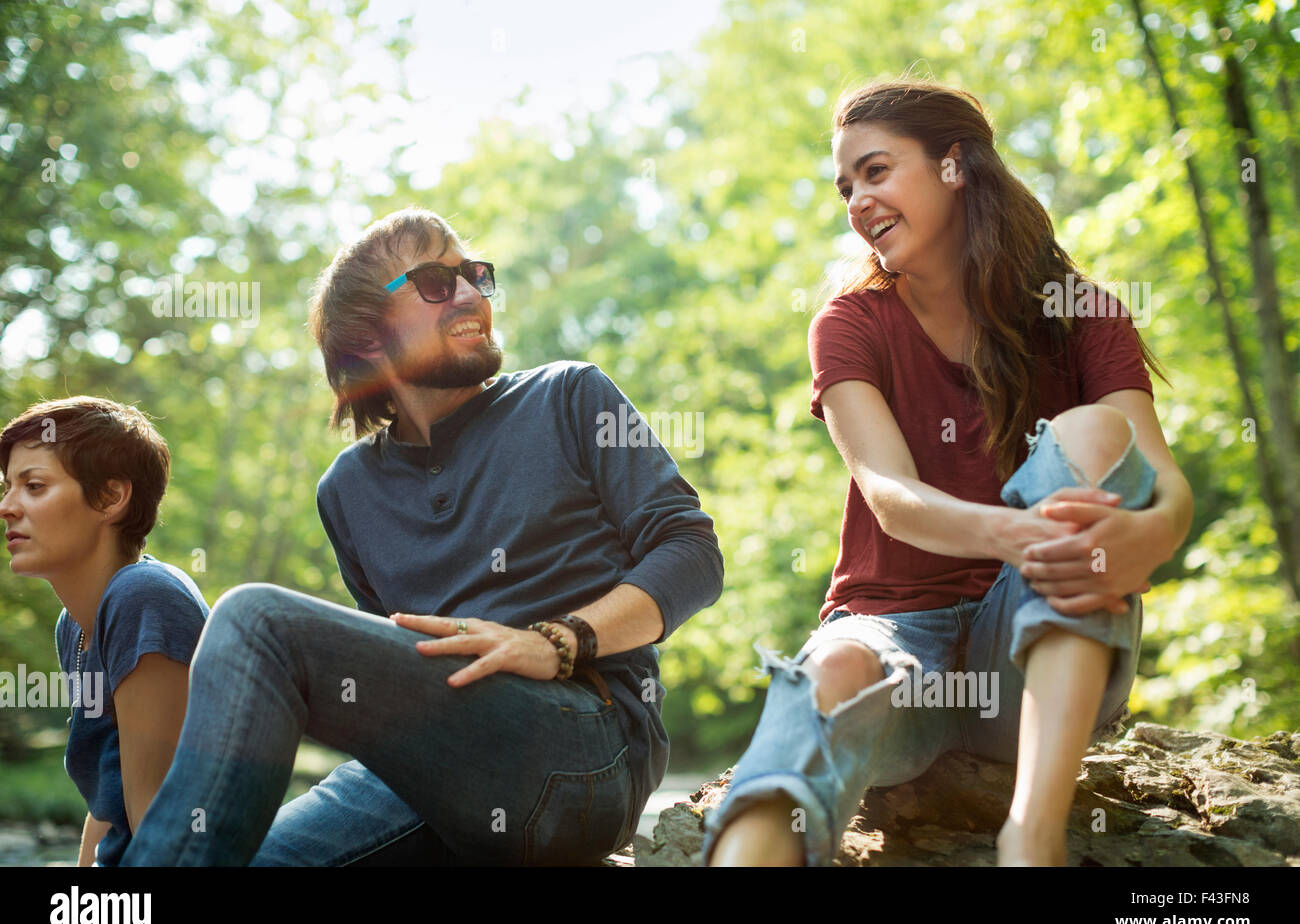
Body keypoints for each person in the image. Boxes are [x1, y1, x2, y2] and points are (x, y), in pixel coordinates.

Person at [120, 207, 724, 866]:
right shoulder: (346, 491)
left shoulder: (568, 396)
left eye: (475, 275)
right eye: (435, 280)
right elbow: (382, 681)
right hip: (426, 765)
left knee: (256, 618)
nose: (470, 294)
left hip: (583, 742)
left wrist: (555, 642)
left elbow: (693, 554)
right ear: (366, 339)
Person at [704, 79, 1194, 866]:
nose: (857, 201)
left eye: (875, 171)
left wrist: (1146, 536)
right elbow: (892, 498)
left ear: (954, 166)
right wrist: (1021, 531)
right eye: (845, 186)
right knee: (831, 662)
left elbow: (1165, 485)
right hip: (899, 639)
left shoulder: (1085, 315)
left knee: (1095, 431)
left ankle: (1031, 842)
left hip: (1033, 658)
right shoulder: (849, 323)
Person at [0, 397, 207, 866]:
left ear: (111, 498)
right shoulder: (74, 625)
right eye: (6, 487)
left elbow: (159, 828)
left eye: (33, 486)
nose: (7, 507)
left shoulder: (146, 599)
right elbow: (110, 807)